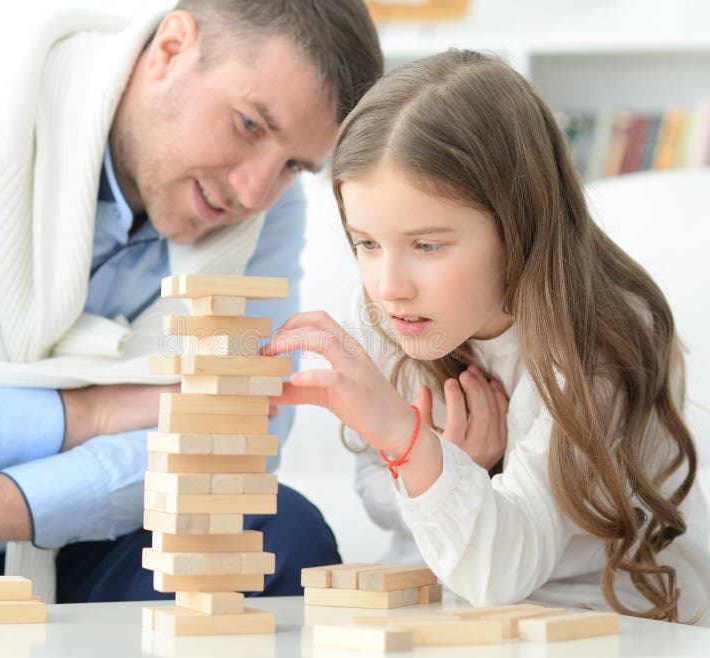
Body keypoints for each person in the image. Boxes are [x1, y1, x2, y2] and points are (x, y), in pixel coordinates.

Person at [0, 0, 382, 601]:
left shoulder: (266, 210)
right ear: (170, 49)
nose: (255, 191)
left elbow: (234, 440)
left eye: (293, 164)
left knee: (282, 539)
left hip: (66, 530)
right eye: (249, 125)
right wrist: (89, 414)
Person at [262, 50, 710, 624]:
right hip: (447, 601)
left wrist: (411, 442)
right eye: (367, 244)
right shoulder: (383, 316)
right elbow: (382, 499)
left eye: (427, 246)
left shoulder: (596, 342)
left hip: (601, 616)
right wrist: (454, 463)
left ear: (517, 223)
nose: (389, 286)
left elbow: (500, 575)